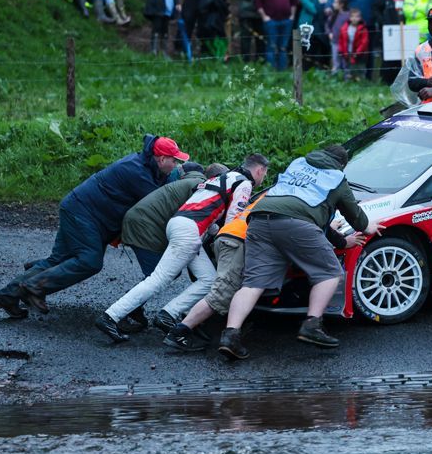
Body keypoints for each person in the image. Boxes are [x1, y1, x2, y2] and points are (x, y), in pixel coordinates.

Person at [0, 136, 188, 318]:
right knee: (89, 261)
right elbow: (157, 205)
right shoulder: (137, 172)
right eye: (174, 160)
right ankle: (35, 286)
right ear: (161, 159)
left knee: (59, 259)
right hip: (83, 213)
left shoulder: (146, 167)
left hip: (84, 210)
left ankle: (7, 296)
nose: (176, 164)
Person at [218, 146, 384, 359]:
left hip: (259, 219)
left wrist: (341, 240)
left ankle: (230, 335)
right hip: (294, 224)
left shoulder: (297, 164)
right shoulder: (336, 178)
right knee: (330, 272)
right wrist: (368, 226)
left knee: (253, 283)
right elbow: (355, 215)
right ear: (342, 164)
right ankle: (312, 325)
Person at [96, 155, 269, 342]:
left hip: (180, 224)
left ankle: (169, 315)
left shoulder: (221, 178)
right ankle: (110, 316)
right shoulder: (243, 184)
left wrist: (215, 231)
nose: (263, 180)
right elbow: (233, 218)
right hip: (190, 231)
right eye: (264, 175)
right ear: (259, 170)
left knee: (208, 280)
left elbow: (206, 210)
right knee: (159, 278)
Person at [110, 161, 226, 333]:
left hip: (147, 222)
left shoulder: (189, 182)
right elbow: (195, 216)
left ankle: (133, 311)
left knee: (166, 274)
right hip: (145, 225)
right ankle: (120, 313)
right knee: (158, 275)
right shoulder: (201, 187)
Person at [254, 0, 297, 70]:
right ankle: (271, 71)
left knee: (283, 47)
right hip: (271, 20)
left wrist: (292, 16)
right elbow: (258, 1)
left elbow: (293, 1)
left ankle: (282, 70)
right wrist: (264, 16)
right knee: (271, 46)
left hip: (286, 20)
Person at [337, 7, 370, 79]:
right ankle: (348, 84)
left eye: (357, 16)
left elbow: (364, 42)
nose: (354, 18)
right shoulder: (344, 28)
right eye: (352, 16)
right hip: (348, 53)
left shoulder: (363, 28)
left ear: (360, 18)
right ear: (349, 17)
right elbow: (341, 40)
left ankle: (361, 83)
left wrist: (357, 53)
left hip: (360, 55)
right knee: (348, 70)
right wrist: (341, 50)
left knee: (360, 69)